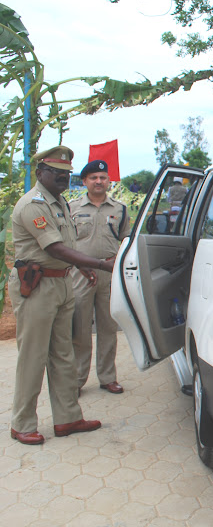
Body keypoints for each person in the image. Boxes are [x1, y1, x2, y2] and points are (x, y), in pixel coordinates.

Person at [8, 146, 113, 445]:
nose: (63, 178)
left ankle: (67, 418)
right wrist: (100, 264)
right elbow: (54, 248)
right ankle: (22, 423)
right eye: (56, 173)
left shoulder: (59, 203)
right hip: (37, 287)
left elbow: (68, 245)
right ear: (41, 172)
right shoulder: (33, 204)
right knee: (33, 356)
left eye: (66, 174)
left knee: (63, 354)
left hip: (62, 283)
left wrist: (81, 267)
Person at [70, 160, 131, 395]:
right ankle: (76, 380)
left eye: (103, 177)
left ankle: (107, 377)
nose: (99, 181)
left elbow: (126, 240)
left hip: (108, 275)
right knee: (80, 329)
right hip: (80, 275)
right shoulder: (72, 207)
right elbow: (65, 241)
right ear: (84, 181)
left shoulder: (119, 208)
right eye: (94, 177)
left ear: (108, 181)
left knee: (108, 328)